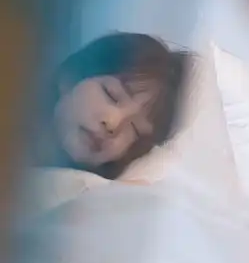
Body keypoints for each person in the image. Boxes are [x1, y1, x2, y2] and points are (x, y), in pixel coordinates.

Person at [42, 32, 188, 180]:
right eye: (112, 95)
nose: (113, 124)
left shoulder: (94, 190)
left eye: (134, 129)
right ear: (71, 76)